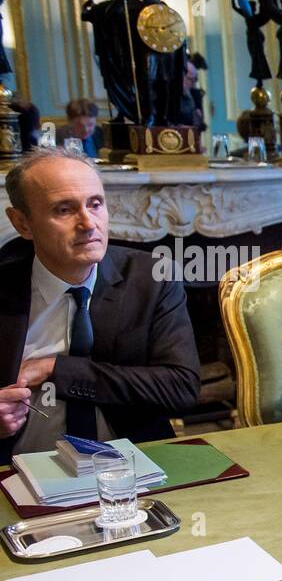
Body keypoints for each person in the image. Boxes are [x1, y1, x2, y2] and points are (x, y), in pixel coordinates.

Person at [0, 147, 201, 463]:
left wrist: (56, 369)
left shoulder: (152, 278)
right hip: (21, 470)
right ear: (22, 223)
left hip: (133, 467)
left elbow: (179, 389)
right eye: (64, 210)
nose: (88, 223)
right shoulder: (4, 289)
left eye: (95, 204)